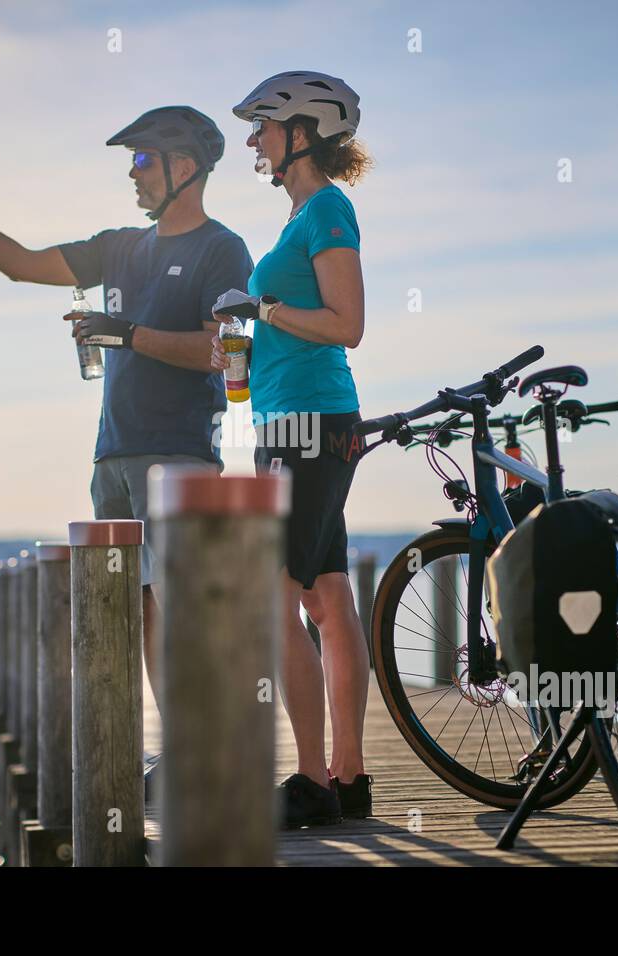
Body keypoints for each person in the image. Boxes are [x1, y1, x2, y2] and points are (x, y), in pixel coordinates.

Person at [0, 107, 254, 801]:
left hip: (179, 455)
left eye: (144, 160)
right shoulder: (117, 247)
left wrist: (129, 334)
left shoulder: (223, 249)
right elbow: (22, 267)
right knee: (142, 611)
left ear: (186, 167)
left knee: (181, 610)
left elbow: (226, 352)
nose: (132, 172)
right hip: (112, 458)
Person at [211, 72, 375, 828]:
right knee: (325, 597)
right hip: (288, 420)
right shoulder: (299, 218)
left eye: (262, 127)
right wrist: (240, 340)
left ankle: (310, 781)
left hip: (313, 423)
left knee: (275, 599)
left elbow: (346, 324)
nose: (252, 140)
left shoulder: (329, 210)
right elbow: (288, 325)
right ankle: (348, 776)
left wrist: (264, 306)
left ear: (300, 134)